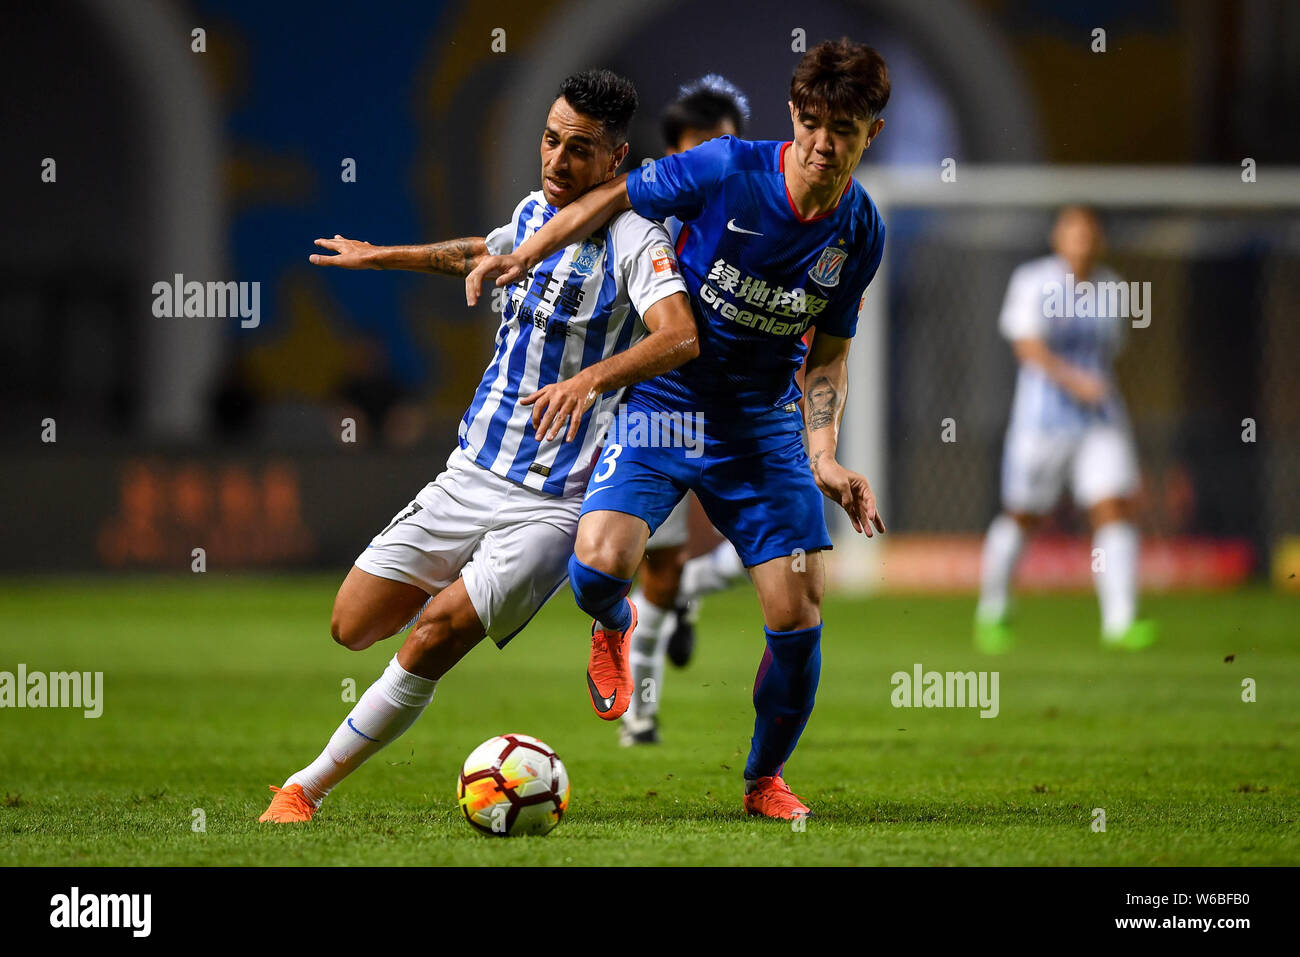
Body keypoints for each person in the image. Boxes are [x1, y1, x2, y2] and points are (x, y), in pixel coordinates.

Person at [467, 38, 890, 819]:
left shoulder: (858, 232)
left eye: (847, 128)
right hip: (663, 404)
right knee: (596, 567)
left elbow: (829, 354)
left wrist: (825, 454)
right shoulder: (726, 168)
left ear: (873, 132)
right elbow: (616, 198)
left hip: (761, 429)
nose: (825, 143)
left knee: (798, 613)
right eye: (813, 122)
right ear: (794, 115)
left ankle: (764, 779)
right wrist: (527, 254)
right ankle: (615, 621)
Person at [259, 68, 697, 823]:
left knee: (432, 634)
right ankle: (473, 605)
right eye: (552, 141)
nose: (558, 162)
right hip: (467, 475)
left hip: (554, 502)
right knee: (352, 623)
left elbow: (680, 335)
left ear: (616, 161)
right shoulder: (535, 212)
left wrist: (590, 379)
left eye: (581, 151)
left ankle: (306, 787)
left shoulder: (634, 239)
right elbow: (478, 253)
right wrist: (382, 256)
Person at [623, 74, 753, 747]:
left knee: (786, 550)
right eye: (698, 146)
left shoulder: (764, 220)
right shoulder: (643, 226)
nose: (712, 159)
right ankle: (640, 713)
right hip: (665, 410)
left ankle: (698, 587)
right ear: (674, 151)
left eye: (724, 146)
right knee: (659, 573)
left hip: (742, 407)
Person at [974, 206, 1156, 654]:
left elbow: (1110, 354)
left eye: (1090, 233)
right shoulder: (1033, 281)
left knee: (1113, 508)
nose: (1082, 241)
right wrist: (1077, 382)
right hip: (1042, 423)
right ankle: (993, 610)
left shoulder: (1112, 288)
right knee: (1023, 515)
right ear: (1058, 239)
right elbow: (1027, 346)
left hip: (1098, 422)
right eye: (1073, 233)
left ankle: (1120, 621)